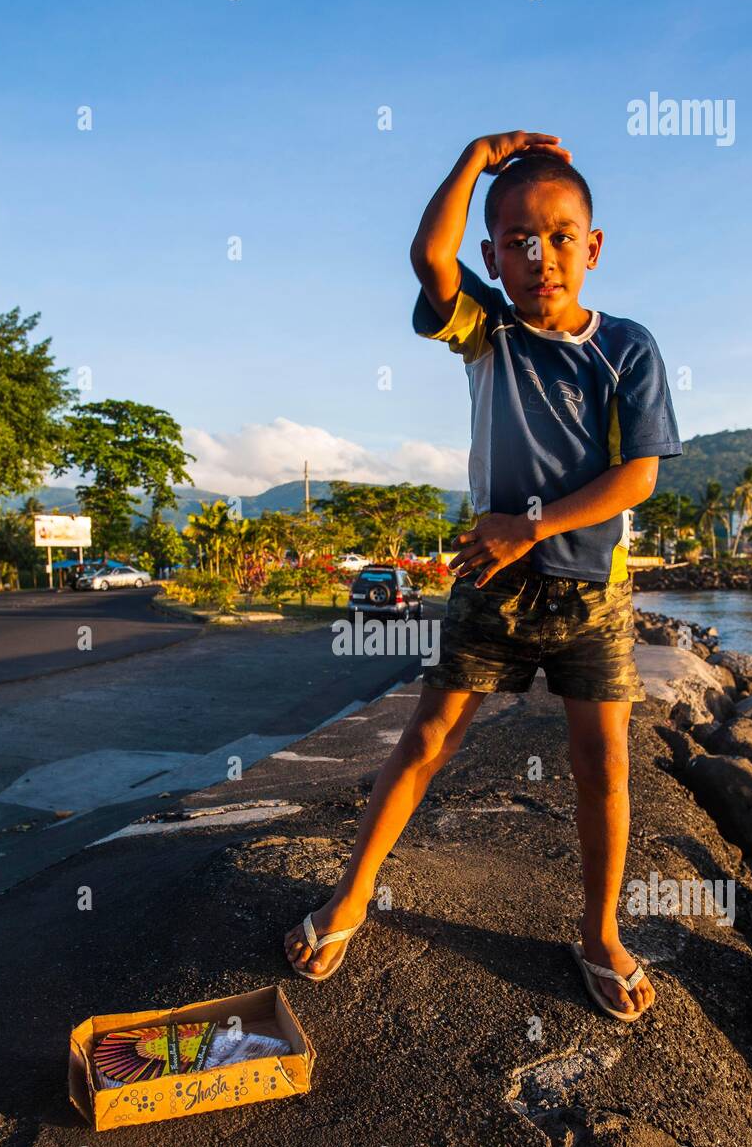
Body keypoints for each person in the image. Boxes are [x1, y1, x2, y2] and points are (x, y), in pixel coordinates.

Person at [284, 132, 682, 1021]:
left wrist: (528, 525)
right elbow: (429, 255)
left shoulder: (626, 347)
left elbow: (639, 476)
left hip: (591, 595)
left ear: (593, 245)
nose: (540, 255)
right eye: (514, 239)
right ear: (494, 256)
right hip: (492, 590)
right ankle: (351, 898)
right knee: (427, 741)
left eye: (559, 234)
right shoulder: (486, 329)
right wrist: (476, 154)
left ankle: (599, 931)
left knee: (603, 766)